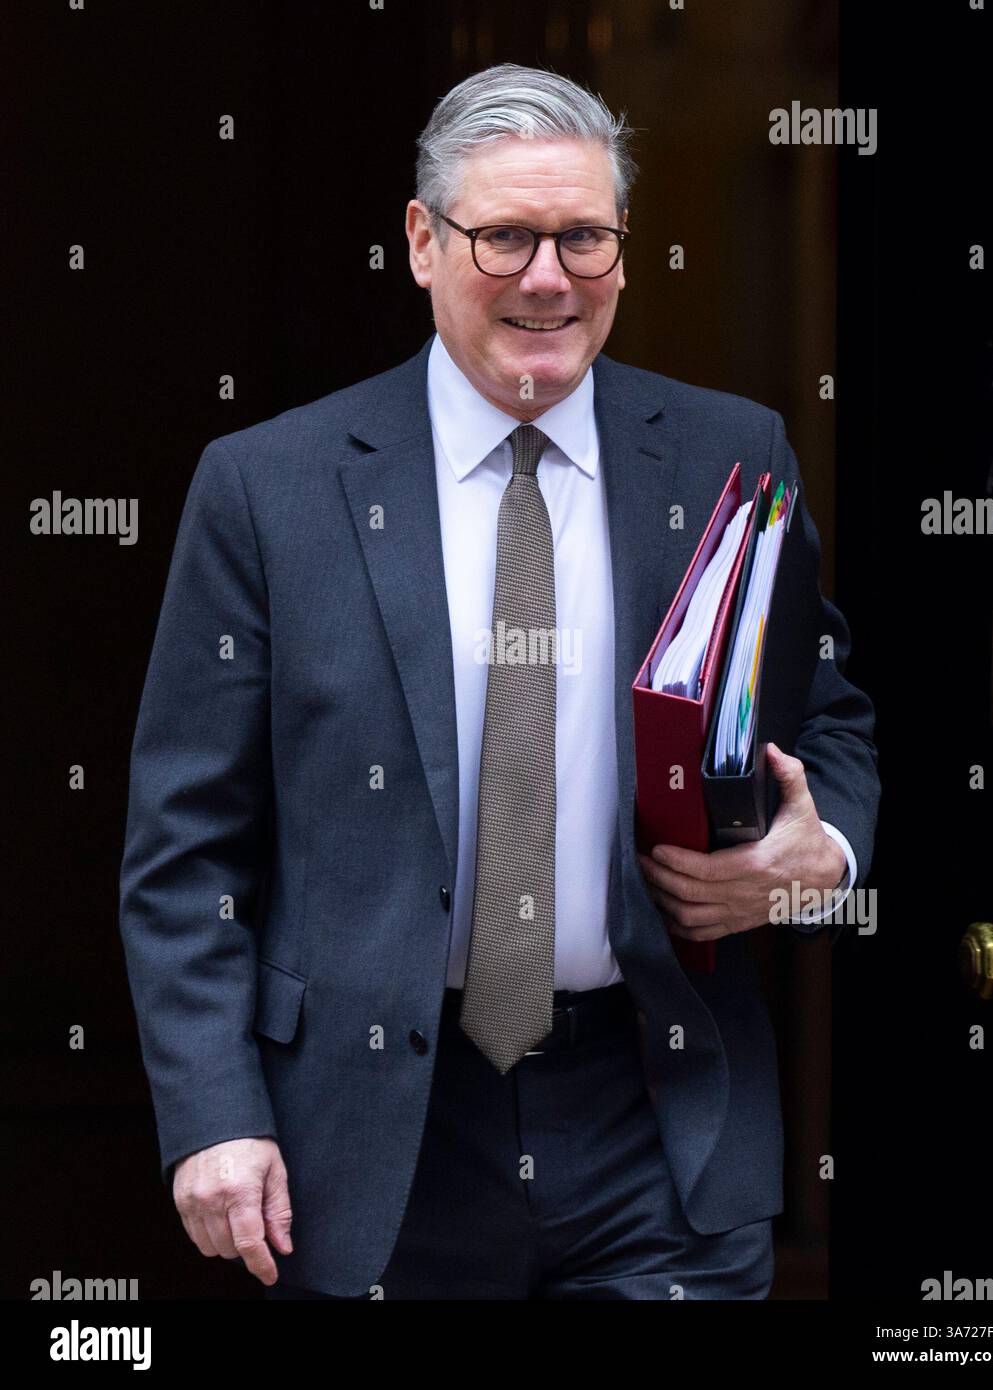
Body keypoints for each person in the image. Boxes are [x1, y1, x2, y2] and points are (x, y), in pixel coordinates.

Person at [118, 63, 879, 1300]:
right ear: (422, 242)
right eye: (505, 236)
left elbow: (827, 712)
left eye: (583, 236)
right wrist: (212, 1112)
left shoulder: (729, 453)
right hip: (368, 1140)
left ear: (624, 252)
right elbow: (184, 848)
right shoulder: (268, 490)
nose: (547, 277)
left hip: (655, 1113)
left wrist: (821, 851)